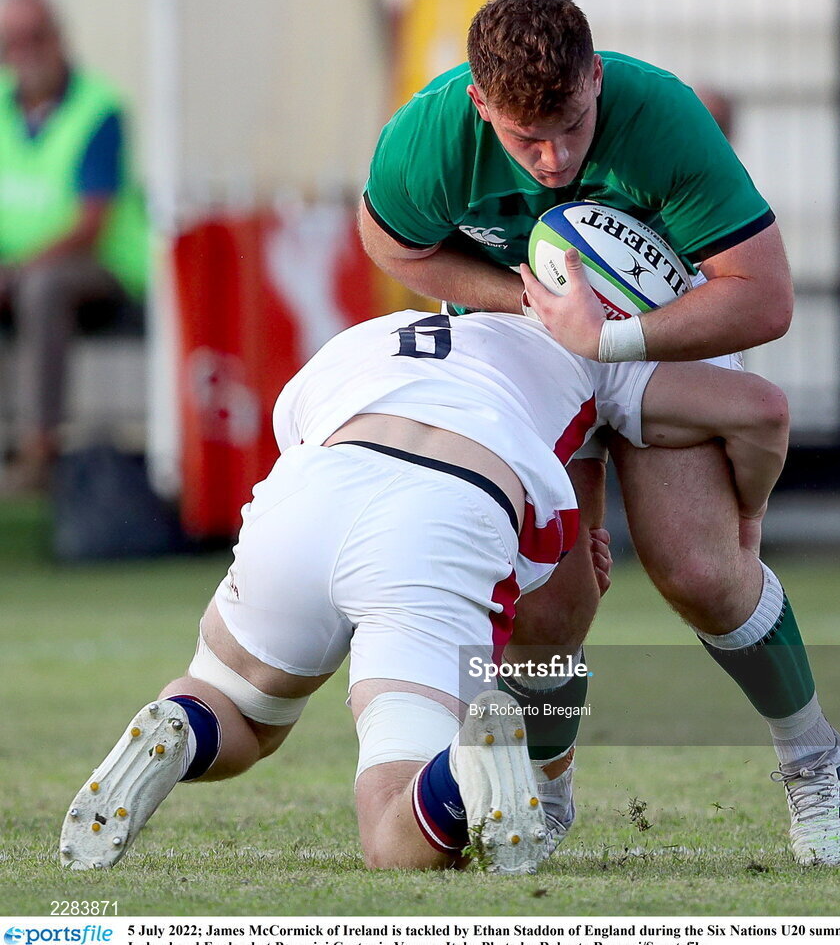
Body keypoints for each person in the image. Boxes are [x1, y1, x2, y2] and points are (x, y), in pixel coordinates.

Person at [358, 0, 840, 866]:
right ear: (480, 104)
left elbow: (766, 298)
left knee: (701, 571)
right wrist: (524, 300)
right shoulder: (431, 135)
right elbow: (390, 243)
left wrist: (611, 334)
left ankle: (815, 758)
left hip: (656, 337)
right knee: (548, 603)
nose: (552, 159)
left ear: (595, 77)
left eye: (572, 127)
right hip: (526, 345)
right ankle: (547, 796)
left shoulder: (661, 115)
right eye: (526, 139)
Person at [60, 306, 789, 874]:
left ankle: (182, 726)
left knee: (237, 704)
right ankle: (456, 774)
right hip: (446, 511)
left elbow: (300, 435)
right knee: (391, 825)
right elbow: (759, 411)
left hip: (316, 482)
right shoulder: (594, 345)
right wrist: (746, 518)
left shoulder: (370, 333)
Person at [0, 0, 148, 493]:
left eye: (35, 37)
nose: (24, 52)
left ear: (59, 39)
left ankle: (39, 448)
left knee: (41, 287)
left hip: (101, 266)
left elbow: (92, 221)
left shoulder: (97, 108)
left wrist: (16, 270)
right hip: (21, 264)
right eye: (11, 42)